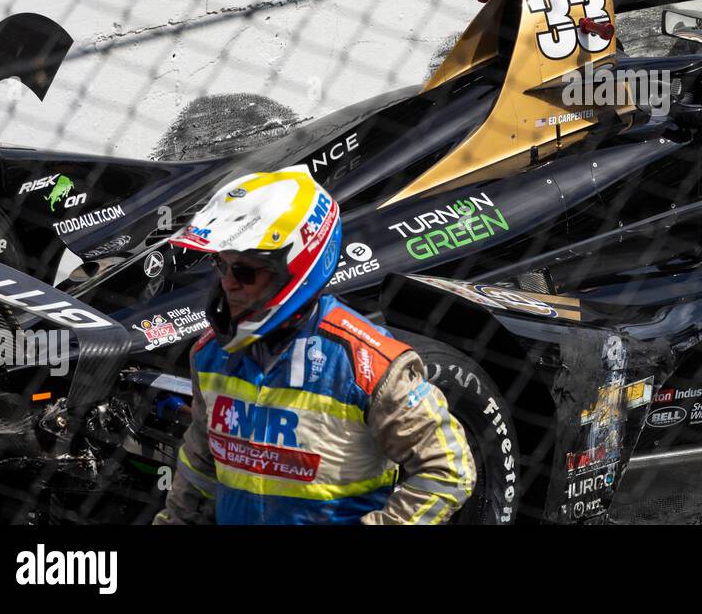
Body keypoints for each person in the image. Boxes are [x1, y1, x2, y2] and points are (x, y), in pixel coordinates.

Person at [153, 166, 476, 524]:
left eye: (245, 271)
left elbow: (449, 470)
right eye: (221, 264)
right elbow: (200, 462)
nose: (228, 284)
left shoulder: (369, 363)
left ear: (296, 268)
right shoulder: (211, 353)